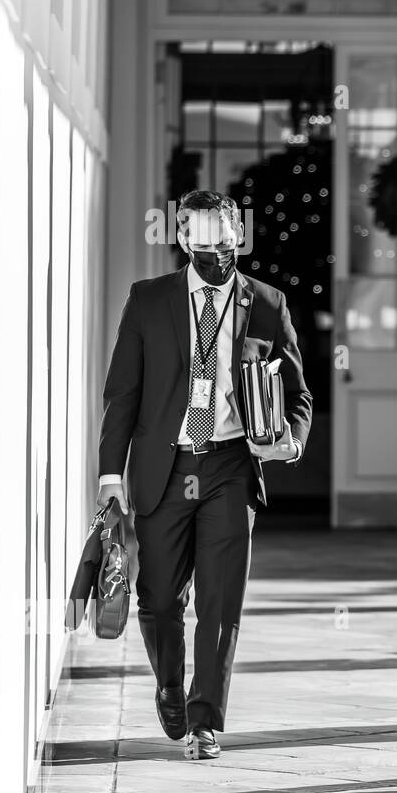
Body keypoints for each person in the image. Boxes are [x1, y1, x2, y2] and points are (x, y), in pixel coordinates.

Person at [97, 189, 312, 760]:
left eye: (227, 242)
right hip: (163, 467)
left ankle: (205, 719)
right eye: (207, 244)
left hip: (230, 467)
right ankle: (169, 681)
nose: (219, 253)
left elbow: (299, 394)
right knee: (160, 598)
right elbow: (122, 394)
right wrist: (108, 476)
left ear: (237, 238)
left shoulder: (267, 302)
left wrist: (289, 441)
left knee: (220, 600)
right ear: (185, 240)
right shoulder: (147, 301)